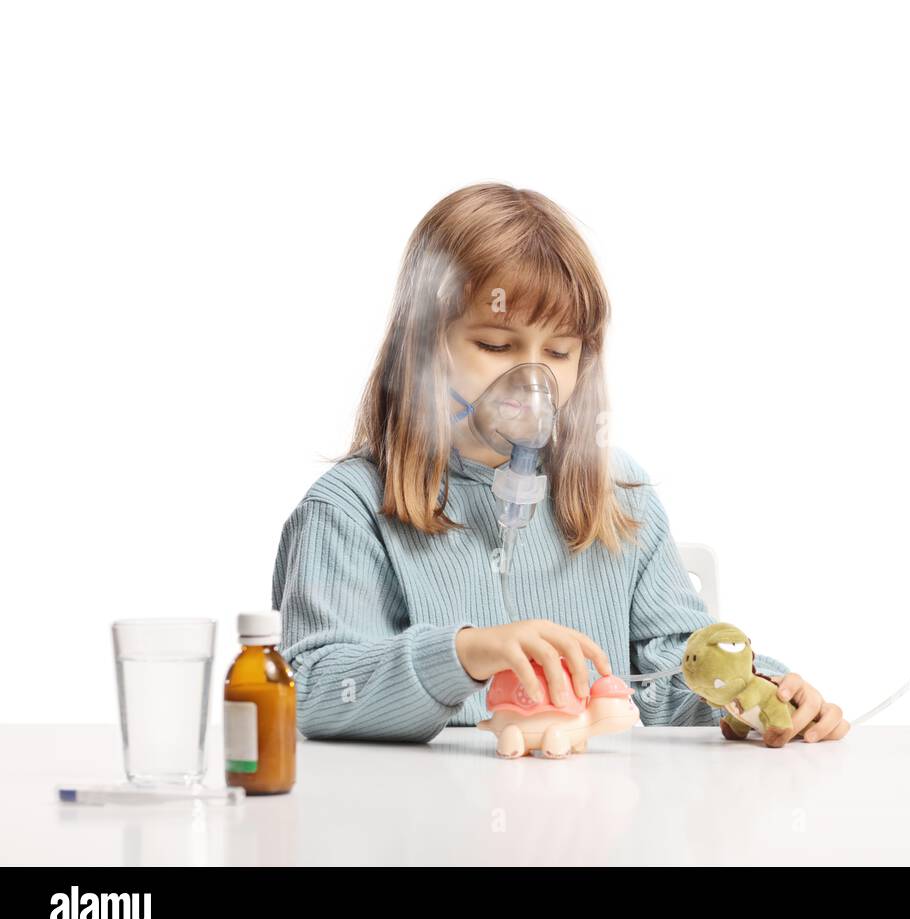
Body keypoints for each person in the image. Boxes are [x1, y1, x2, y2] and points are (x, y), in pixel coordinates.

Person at [271, 183, 850, 745]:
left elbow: (671, 675)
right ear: (424, 347)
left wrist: (760, 696)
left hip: (592, 827)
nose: (531, 381)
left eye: (558, 352)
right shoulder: (349, 510)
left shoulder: (618, 498)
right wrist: (465, 655)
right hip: (433, 829)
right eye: (496, 346)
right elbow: (318, 689)